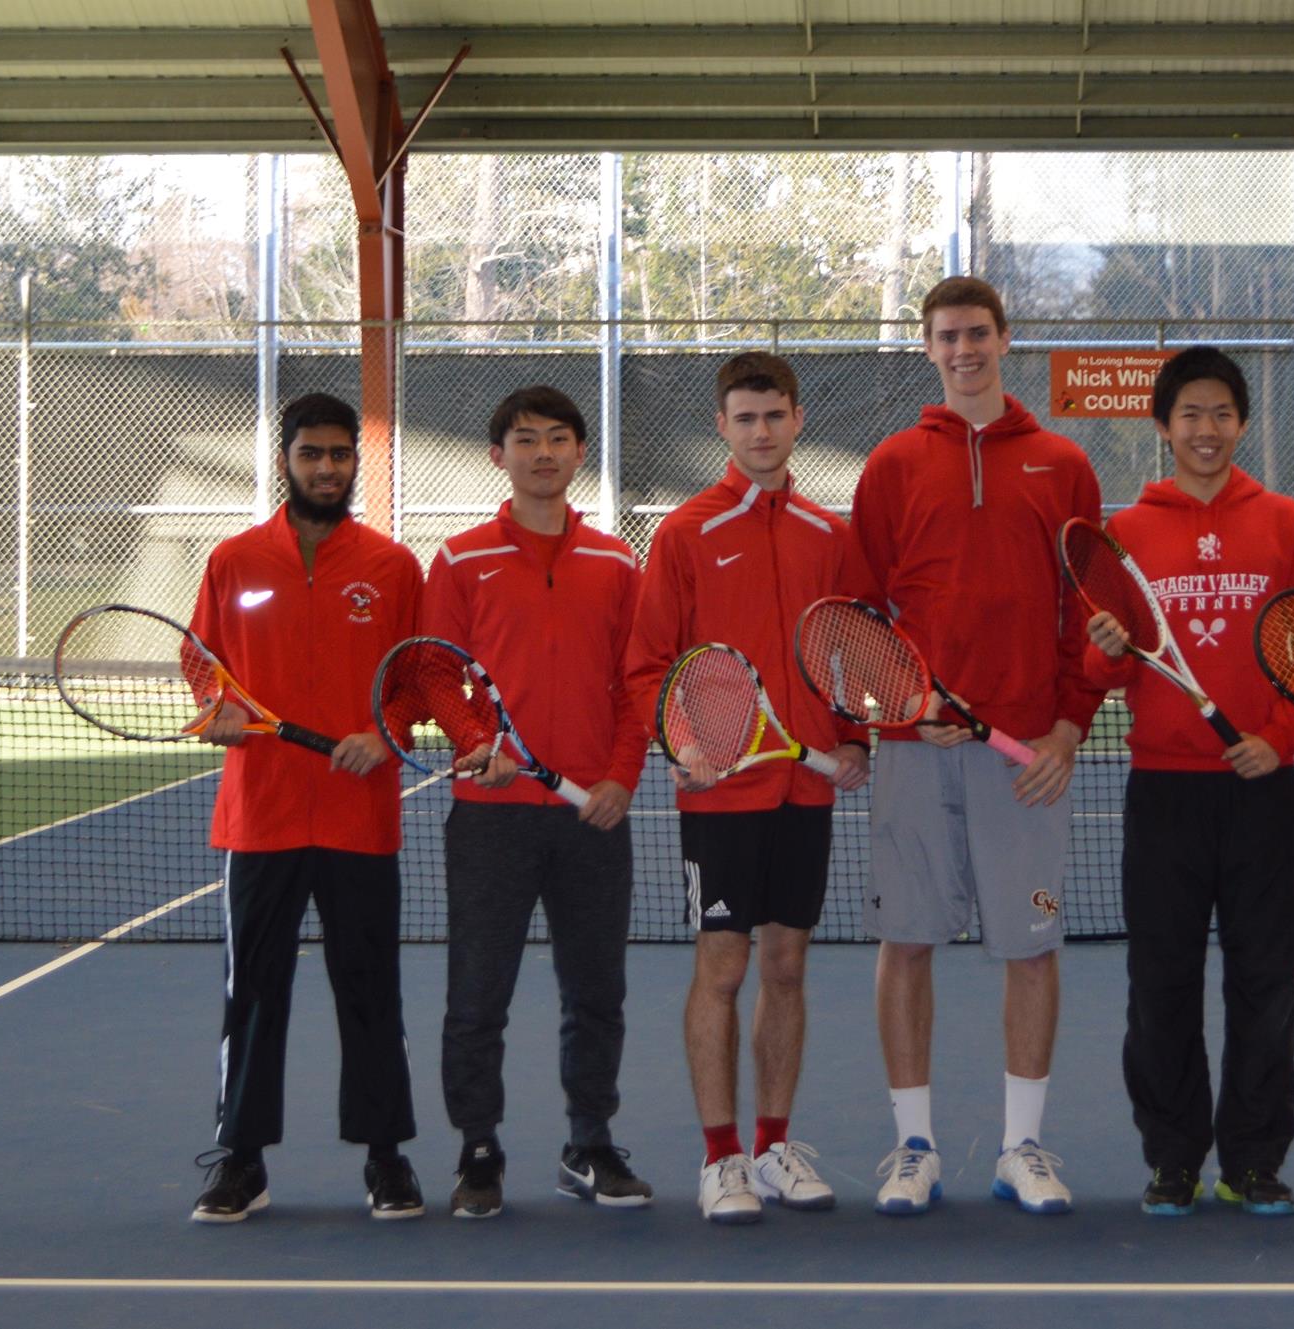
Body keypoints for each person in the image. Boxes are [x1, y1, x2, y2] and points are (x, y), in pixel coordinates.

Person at [848, 275, 1106, 1216]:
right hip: (916, 753)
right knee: (905, 940)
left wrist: (1069, 727)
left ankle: (1021, 1147)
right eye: (947, 335)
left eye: (978, 334)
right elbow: (854, 619)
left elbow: (1089, 609)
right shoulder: (889, 466)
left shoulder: (1063, 463)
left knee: (1031, 949)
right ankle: (913, 1145)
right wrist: (897, 708)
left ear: (1007, 340)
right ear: (928, 346)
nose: (964, 349)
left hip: (1024, 757)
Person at [624, 352, 872, 1225]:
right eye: (745, 418)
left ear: (796, 420)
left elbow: (848, 653)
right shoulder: (686, 532)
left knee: (789, 963)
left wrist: (855, 739)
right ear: (722, 426)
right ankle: (720, 1157)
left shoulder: (827, 532)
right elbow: (648, 664)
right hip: (722, 793)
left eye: (774, 416)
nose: (761, 431)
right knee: (722, 965)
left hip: (805, 793)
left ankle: (773, 1146)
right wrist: (684, 742)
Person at [1082, 346, 1294, 1219]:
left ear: (1243, 423)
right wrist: (1102, 646)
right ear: (1162, 426)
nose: (1206, 429)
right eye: (1190, 413)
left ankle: (1254, 1158)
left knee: (1265, 982)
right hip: (1164, 793)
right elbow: (1104, 664)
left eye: (1222, 412)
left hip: (1261, 789)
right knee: (1161, 984)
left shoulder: (1285, 522)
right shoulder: (1130, 530)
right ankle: (1174, 1157)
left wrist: (1281, 737)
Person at [186, 392, 425, 1223]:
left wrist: (381, 730)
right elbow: (202, 659)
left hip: (360, 814)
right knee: (252, 990)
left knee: (371, 989)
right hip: (263, 814)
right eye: (311, 454)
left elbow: (416, 678)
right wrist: (214, 706)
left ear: (357, 460)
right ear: (284, 459)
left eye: (340, 454)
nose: (327, 468)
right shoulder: (233, 560)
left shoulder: (394, 566)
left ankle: (387, 1157)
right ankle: (241, 1159)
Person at [421, 386, 651, 1219]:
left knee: (597, 991)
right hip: (491, 812)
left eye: (559, 438)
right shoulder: (458, 560)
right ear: (498, 456)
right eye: (526, 439)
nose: (543, 452)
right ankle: (477, 1149)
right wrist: (472, 740)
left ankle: (589, 1143)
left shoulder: (619, 563)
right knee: (478, 992)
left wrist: (622, 775)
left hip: (592, 814)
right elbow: (435, 671)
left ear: (579, 453)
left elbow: (638, 682)